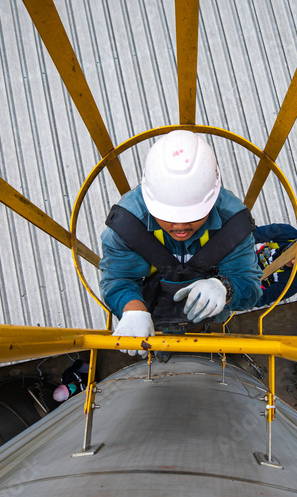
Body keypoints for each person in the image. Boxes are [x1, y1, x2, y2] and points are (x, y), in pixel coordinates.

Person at [100, 131, 262, 355]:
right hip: (152, 308)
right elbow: (118, 278)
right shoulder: (129, 226)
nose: (180, 227)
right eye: (168, 216)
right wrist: (133, 309)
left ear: (212, 198)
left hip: (210, 315)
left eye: (194, 215)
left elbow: (250, 286)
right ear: (150, 201)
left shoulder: (232, 224)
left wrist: (226, 288)